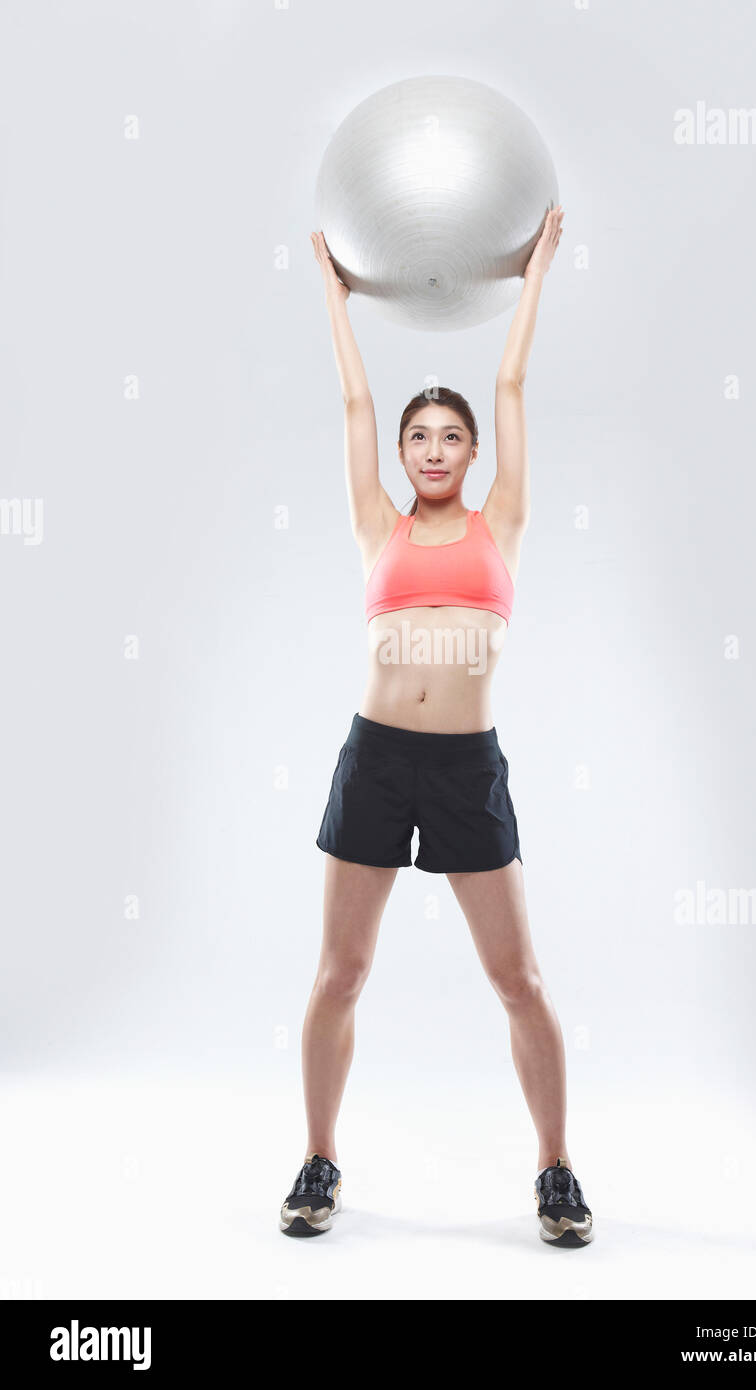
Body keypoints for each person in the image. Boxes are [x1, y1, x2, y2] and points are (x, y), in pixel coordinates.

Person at [279, 207, 592, 1247]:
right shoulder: (376, 524)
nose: (432, 447)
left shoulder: (501, 522)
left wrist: (535, 268)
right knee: (340, 972)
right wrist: (332, 288)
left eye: (449, 436)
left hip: (465, 766)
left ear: (470, 452)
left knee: (518, 978)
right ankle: (319, 1158)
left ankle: (554, 1167)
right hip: (374, 759)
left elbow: (508, 386)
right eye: (419, 437)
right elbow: (352, 394)